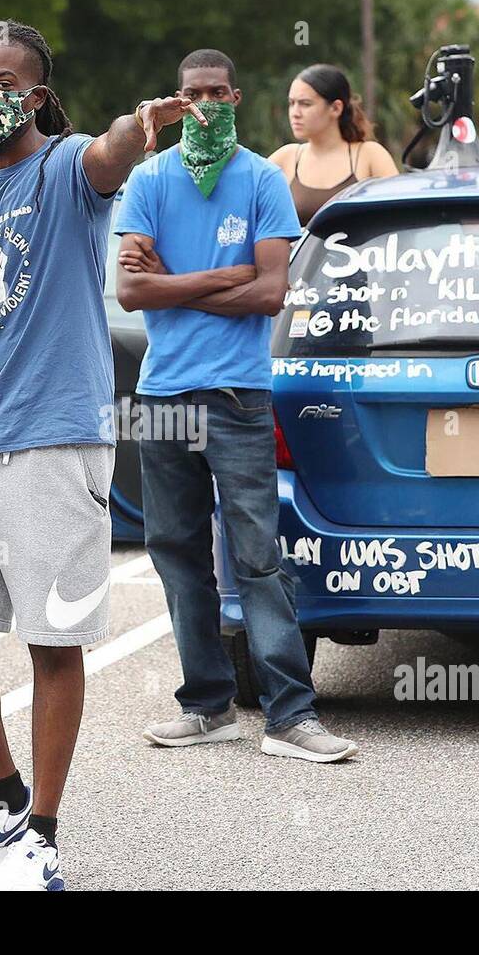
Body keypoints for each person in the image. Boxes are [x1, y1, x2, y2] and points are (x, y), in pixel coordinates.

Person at [0, 18, 200, 891]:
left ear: (32, 95)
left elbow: (110, 153)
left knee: (51, 634)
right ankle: (1, 804)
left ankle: (44, 839)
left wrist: (141, 127)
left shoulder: (64, 167)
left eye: (0, 82)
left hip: (58, 435)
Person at [114, 49, 357, 764]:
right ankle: (206, 706)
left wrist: (178, 281)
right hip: (161, 396)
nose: (207, 104)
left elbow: (272, 291)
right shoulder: (149, 177)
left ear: (236, 97)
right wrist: (227, 275)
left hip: (238, 395)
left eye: (219, 92)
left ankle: (291, 715)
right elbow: (131, 292)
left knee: (256, 556)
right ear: (177, 100)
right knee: (176, 551)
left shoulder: (261, 180)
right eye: (194, 94)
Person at [267, 63, 397, 225]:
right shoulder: (285, 158)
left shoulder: (370, 156)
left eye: (305, 104)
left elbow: (400, 217)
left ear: (336, 108)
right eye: (291, 103)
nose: (295, 113)